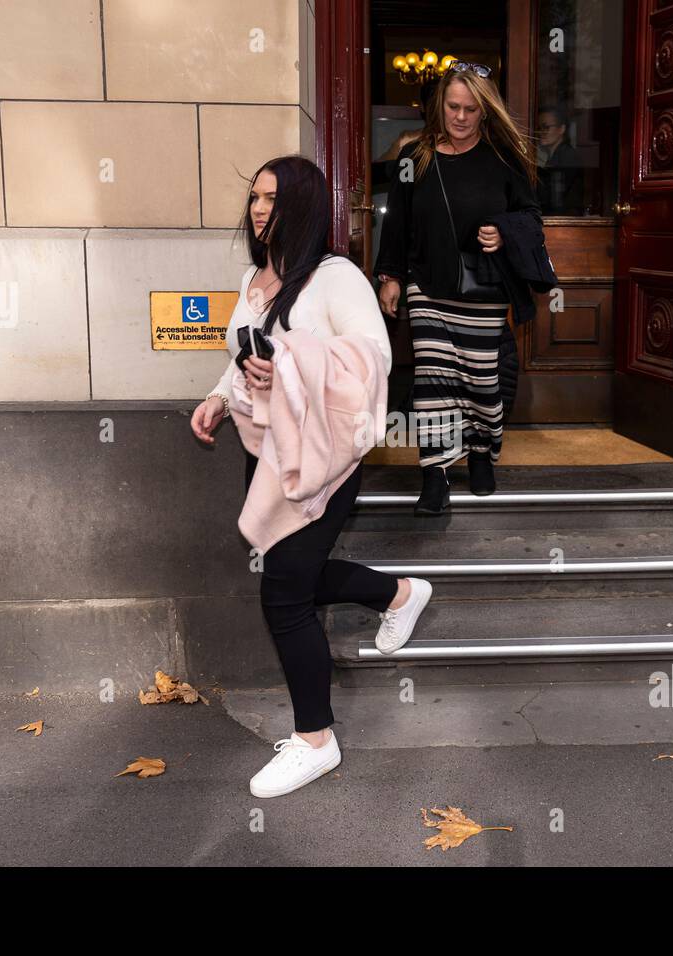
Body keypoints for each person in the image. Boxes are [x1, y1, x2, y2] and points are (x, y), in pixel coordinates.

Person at [190, 155, 434, 798]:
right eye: (254, 198)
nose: (260, 209)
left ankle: (315, 740)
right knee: (287, 572)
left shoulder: (335, 277)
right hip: (263, 451)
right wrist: (221, 395)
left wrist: (293, 365)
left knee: (283, 594)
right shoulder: (252, 279)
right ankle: (397, 594)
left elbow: (373, 356)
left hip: (322, 458)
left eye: (273, 198)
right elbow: (246, 355)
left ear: (302, 205)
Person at [373, 61, 543, 515]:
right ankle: (434, 476)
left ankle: (484, 452)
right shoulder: (415, 159)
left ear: (484, 111)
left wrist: (504, 232)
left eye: (471, 109)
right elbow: (399, 225)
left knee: (482, 382)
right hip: (427, 288)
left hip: (484, 293)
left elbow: (531, 217)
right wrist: (390, 276)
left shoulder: (503, 161)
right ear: (440, 105)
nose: (461, 117)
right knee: (432, 383)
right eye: (453, 106)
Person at [535, 105, 585, 216]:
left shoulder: (568, 156)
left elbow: (555, 198)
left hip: (563, 220)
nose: (541, 132)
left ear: (561, 129)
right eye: (539, 128)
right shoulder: (554, 155)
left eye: (546, 127)